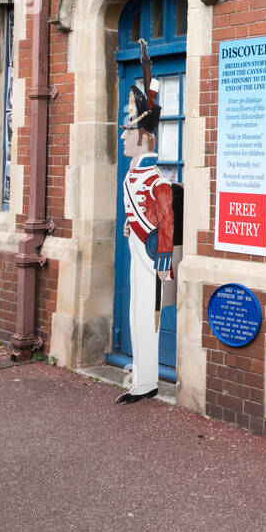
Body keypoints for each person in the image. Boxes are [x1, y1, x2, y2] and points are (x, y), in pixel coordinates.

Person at [115, 41, 174, 405]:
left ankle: (148, 380)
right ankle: (141, 377)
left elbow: (164, 223)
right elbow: (135, 210)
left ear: (142, 136)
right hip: (137, 248)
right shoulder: (133, 175)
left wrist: (164, 260)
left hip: (153, 257)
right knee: (137, 313)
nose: (123, 136)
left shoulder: (158, 180)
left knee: (149, 315)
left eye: (127, 131)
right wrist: (128, 225)